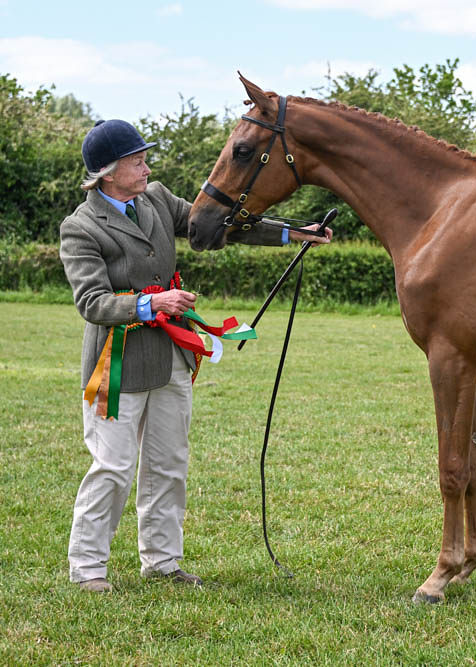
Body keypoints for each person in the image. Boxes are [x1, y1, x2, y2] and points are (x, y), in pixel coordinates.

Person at [59, 119, 331, 593]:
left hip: (172, 359)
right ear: (107, 172)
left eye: (145, 159)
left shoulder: (158, 199)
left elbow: (221, 224)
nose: (147, 167)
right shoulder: (79, 228)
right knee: (114, 468)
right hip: (116, 364)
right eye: (137, 160)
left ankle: (163, 561)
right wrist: (149, 304)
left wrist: (291, 234)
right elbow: (92, 304)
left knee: (168, 463)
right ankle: (87, 567)